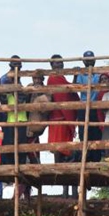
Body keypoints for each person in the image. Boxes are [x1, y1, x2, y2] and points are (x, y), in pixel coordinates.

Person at [47, 54, 79, 198]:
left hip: (64, 121)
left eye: (61, 64)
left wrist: (75, 80)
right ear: (51, 66)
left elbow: (70, 92)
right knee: (60, 155)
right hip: (58, 120)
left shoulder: (62, 79)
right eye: (56, 64)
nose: (59, 66)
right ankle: (65, 192)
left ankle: (70, 192)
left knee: (68, 156)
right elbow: (66, 94)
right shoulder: (53, 79)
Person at [74, 51, 103, 162]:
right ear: (83, 61)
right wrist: (75, 74)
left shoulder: (99, 73)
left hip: (96, 106)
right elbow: (76, 87)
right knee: (83, 133)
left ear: (95, 60)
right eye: (87, 59)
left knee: (96, 132)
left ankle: (96, 158)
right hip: (84, 105)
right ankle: (86, 157)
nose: (90, 61)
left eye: (91, 58)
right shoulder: (81, 74)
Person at [0, 56, 27, 166]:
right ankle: (11, 169)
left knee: (22, 147)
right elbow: (3, 98)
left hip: (22, 117)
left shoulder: (19, 78)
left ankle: (20, 170)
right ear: (10, 65)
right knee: (10, 146)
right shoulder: (5, 79)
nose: (17, 67)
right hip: (10, 118)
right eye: (15, 64)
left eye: (19, 65)